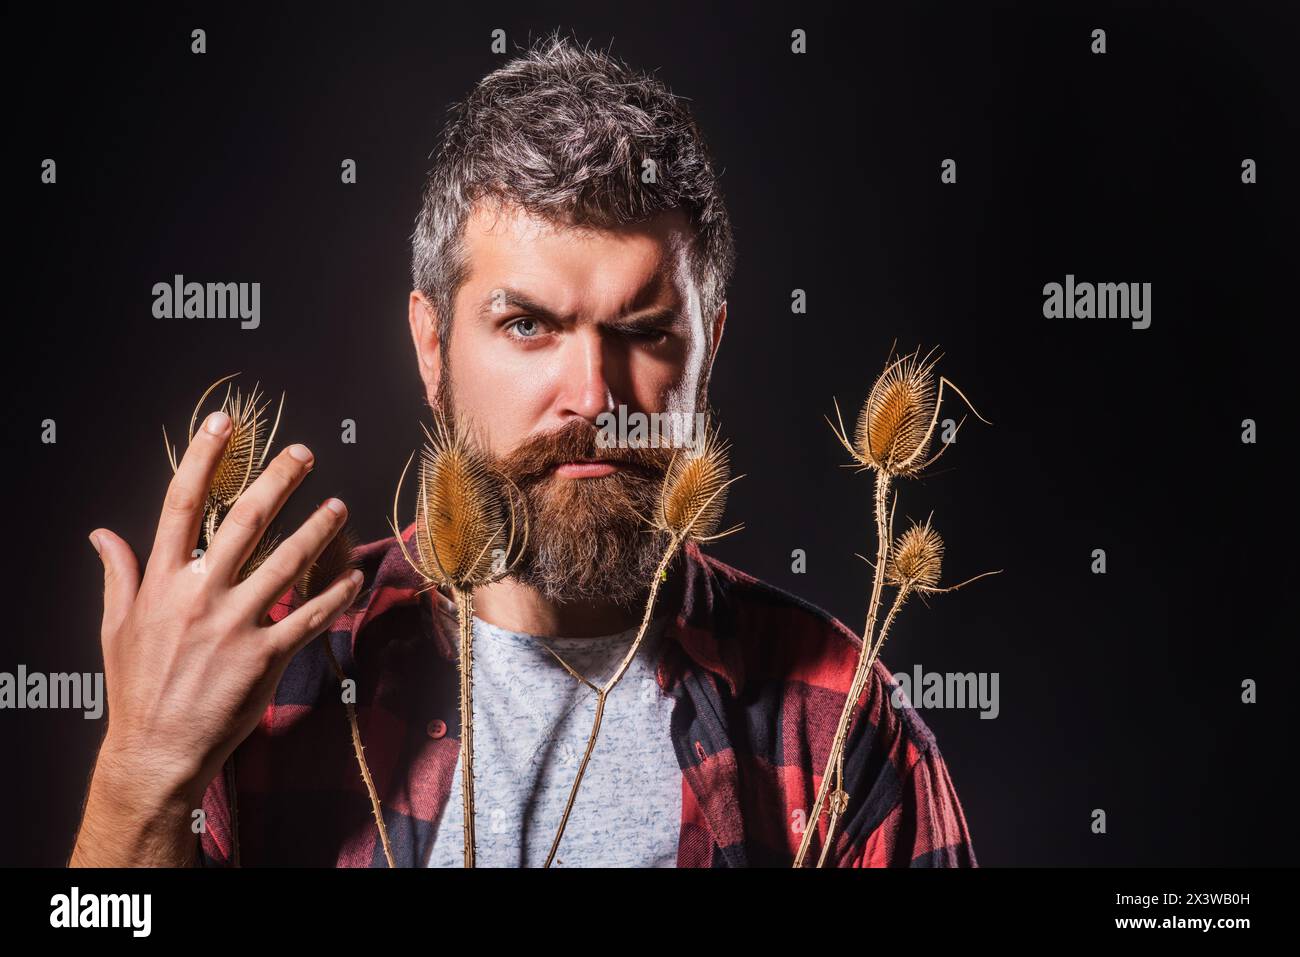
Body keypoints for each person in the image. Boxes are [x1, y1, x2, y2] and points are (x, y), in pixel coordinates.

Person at [70, 31, 976, 868]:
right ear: (432, 348)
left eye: (647, 329)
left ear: (712, 347)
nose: (592, 396)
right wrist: (139, 781)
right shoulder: (275, 687)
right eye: (527, 324)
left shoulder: (835, 716)